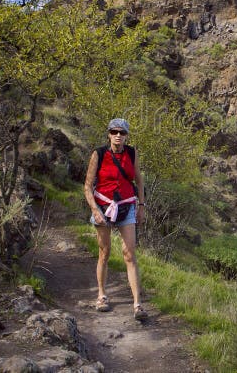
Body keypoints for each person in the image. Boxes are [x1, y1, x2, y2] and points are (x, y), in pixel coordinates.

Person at [83, 118, 148, 321]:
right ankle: (101, 295)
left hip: (127, 205)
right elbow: (87, 186)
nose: (118, 135)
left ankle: (137, 304)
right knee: (105, 252)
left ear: (127, 135)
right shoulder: (99, 154)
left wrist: (142, 205)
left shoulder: (131, 153)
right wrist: (95, 210)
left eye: (122, 132)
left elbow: (138, 179)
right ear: (109, 134)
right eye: (114, 132)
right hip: (103, 206)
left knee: (130, 253)